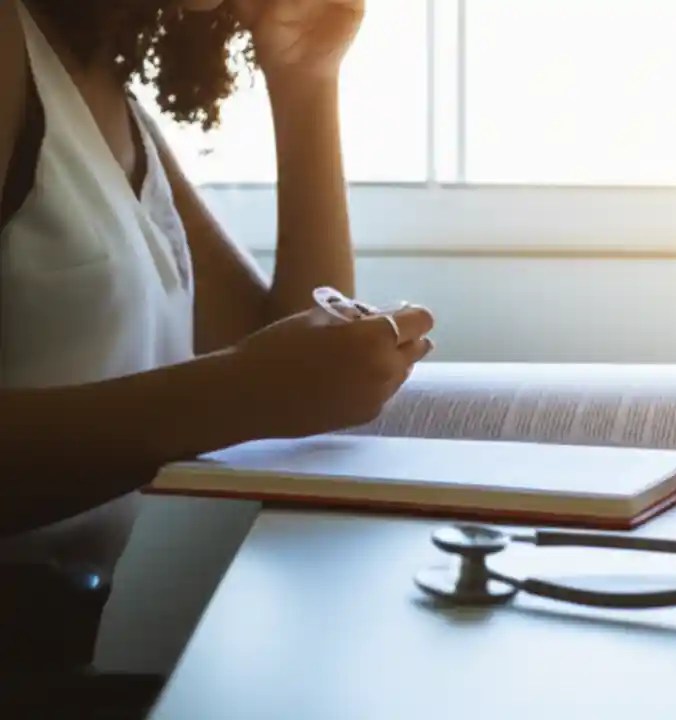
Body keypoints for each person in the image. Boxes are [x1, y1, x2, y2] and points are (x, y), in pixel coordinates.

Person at [0, 0, 432, 652]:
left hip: (111, 629)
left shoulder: (99, 83)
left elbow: (286, 339)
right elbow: (260, 379)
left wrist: (305, 80)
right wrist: (243, 395)